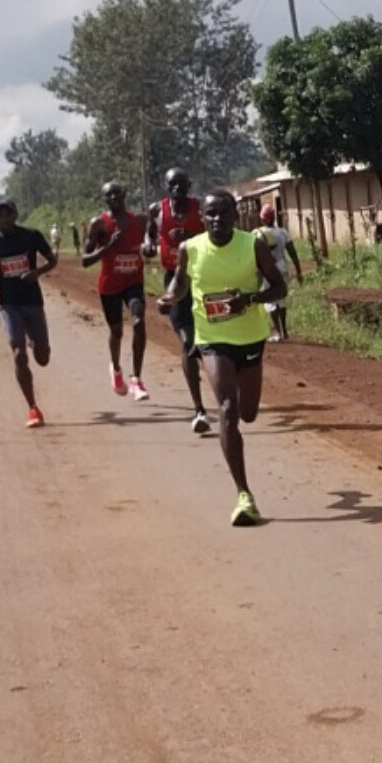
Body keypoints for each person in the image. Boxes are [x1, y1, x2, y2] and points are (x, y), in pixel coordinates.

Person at [165, 190, 286, 526]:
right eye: (210, 214)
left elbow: (280, 289)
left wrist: (251, 298)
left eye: (223, 213)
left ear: (236, 215)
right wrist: (170, 296)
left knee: (247, 414)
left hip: (250, 337)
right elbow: (179, 281)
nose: (217, 219)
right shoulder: (190, 249)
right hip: (212, 338)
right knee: (228, 410)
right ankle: (244, 495)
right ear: (202, 217)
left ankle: (244, 490)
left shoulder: (253, 245)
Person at [0, 198, 57, 428]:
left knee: (43, 358)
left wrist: (37, 273)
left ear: (15, 215)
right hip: (9, 304)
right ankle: (33, 408)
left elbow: (52, 260)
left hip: (33, 303)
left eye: (7, 215)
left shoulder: (31, 236)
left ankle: (34, 341)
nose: (3, 219)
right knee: (18, 352)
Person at [147, 167, 210, 432]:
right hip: (175, 280)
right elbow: (149, 232)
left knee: (209, 341)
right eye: (172, 184)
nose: (177, 189)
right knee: (187, 342)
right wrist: (148, 244)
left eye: (182, 184)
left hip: (204, 280)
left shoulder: (200, 209)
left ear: (189, 185)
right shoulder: (157, 211)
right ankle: (199, 410)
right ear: (166, 186)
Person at [82, 180, 151, 401]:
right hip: (110, 284)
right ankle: (117, 369)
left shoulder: (139, 220)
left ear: (124, 194)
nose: (114, 198)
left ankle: (137, 380)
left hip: (133, 282)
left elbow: (151, 237)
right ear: (104, 199)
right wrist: (108, 247)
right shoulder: (99, 224)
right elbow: (85, 260)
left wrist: (149, 246)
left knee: (139, 323)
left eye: (117, 193)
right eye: (109, 195)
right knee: (117, 332)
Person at [255, 203, 304, 342]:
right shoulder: (283, 232)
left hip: (267, 268)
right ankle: (285, 331)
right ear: (274, 217)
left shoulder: (257, 233)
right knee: (281, 298)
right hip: (282, 266)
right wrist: (299, 270)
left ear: (263, 219)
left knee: (270, 299)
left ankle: (277, 331)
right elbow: (292, 252)